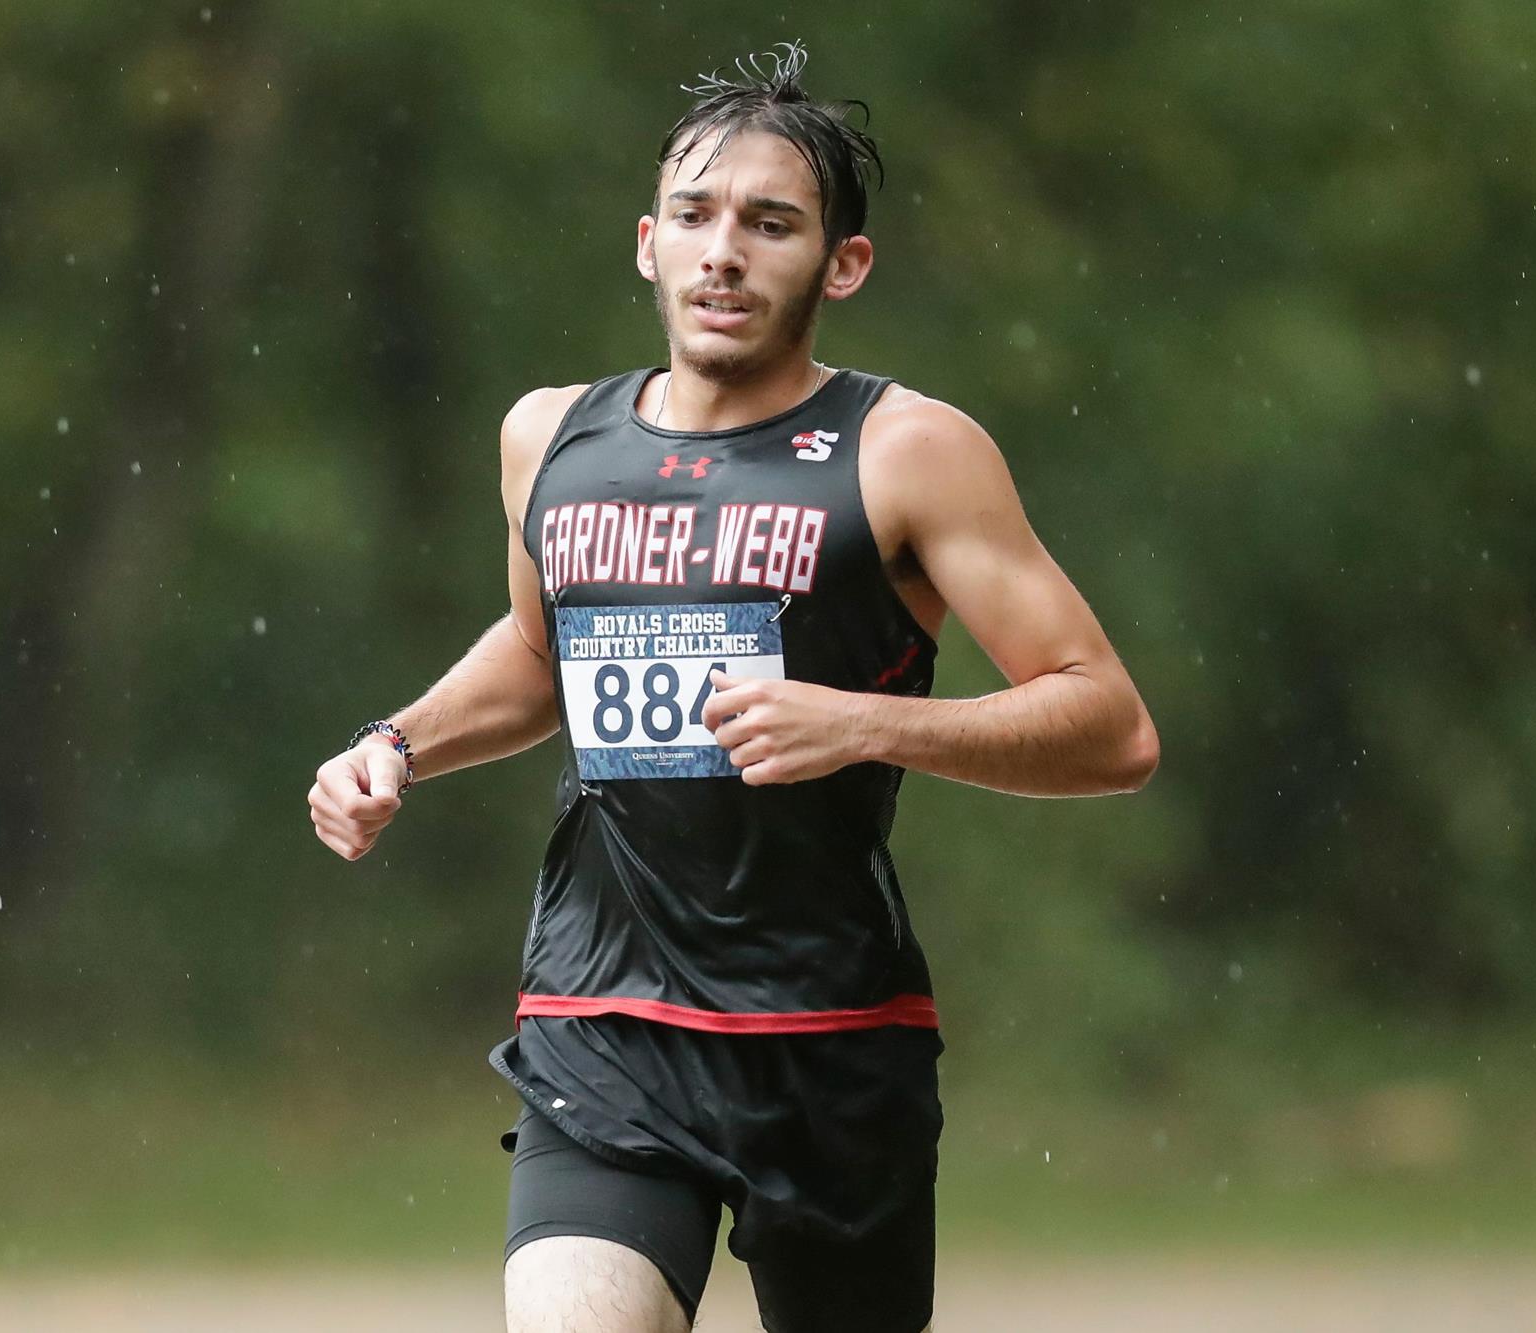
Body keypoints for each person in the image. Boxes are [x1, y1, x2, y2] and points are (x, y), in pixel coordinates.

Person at [308, 42, 1159, 1333]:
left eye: (771, 224)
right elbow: (544, 655)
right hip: (604, 1021)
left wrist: (864, 720)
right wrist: (397, 741)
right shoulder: (550, 436)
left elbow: (1110, 722)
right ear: (648, 243)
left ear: (843, 264)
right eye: (698, 217)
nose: (725, 253)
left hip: (831, 1034)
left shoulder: (909, 450)